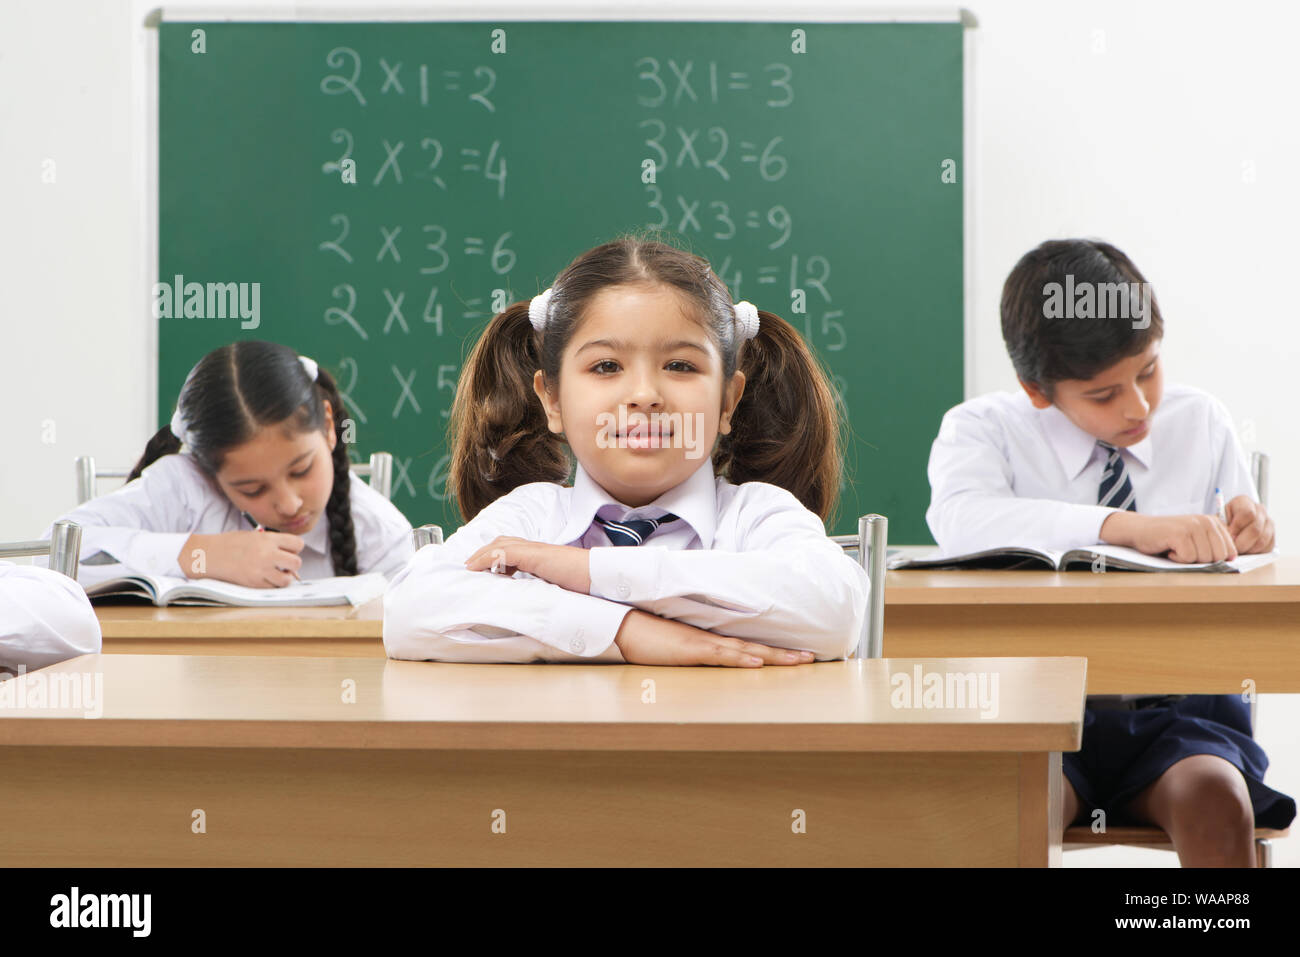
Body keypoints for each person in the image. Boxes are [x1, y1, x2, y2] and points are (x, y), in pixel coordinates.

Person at [926, 238, 1293, 865]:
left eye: (1148, 370)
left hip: (1180, 716)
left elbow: (1243, 558)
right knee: (1000, 820)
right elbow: (961, 521)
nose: (1139, 406)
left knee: (1220, 805)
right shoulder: (983, 430)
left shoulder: (1201, 421)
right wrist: (1121, 526)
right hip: (1036, 711)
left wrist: (1254, 529)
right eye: (1103, 395)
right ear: (1038, 391)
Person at [384, 234, 868, 666]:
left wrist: (591, 572)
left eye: (680, 365)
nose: (644, 394)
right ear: (551, 398)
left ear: (727, 401)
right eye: (606, 366)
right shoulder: (530, 519)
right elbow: (409, 612)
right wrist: (624, 631)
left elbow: (836, 612)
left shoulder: (756, 516)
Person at [49, 340, 413, 588]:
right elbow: (54, 556)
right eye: (252, 489)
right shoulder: (184, 487)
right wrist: (201, 555)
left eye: (301, 470)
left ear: (330, 428)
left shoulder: (380, 535)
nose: (288, 504)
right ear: (209, 472)